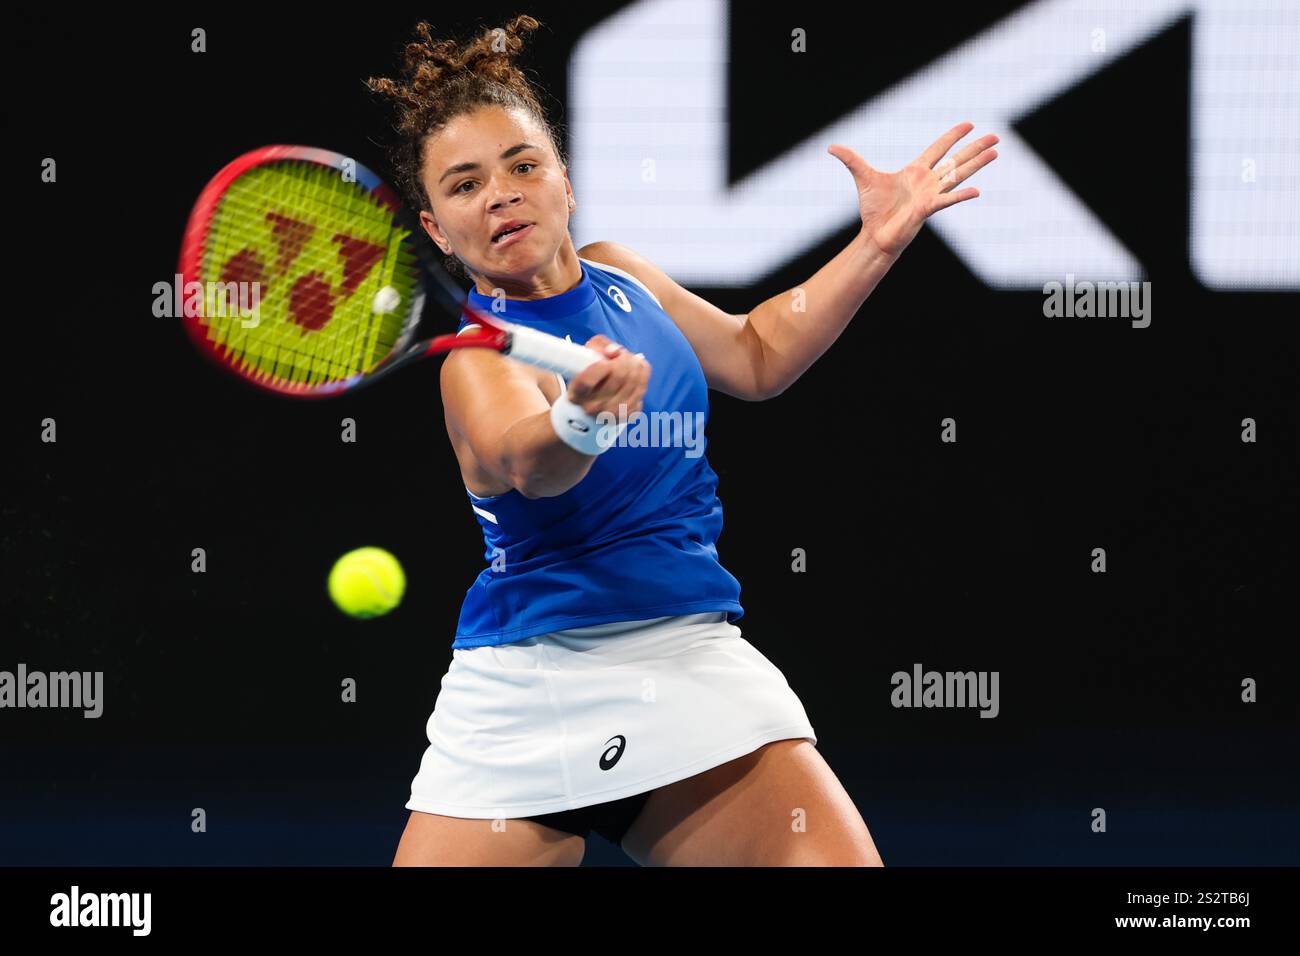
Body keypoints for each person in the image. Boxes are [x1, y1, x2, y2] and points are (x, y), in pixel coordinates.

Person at [366, 15, 997, 866]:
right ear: (438, 229)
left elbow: (759, 353)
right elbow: (529, 464)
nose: (502, 193)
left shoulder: (624, 273)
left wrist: (876, 244)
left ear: (565, 181)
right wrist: (581, 417)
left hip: (687, 659)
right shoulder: (473, 354)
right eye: (465, 184)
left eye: (523, 165)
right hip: (530, 687)